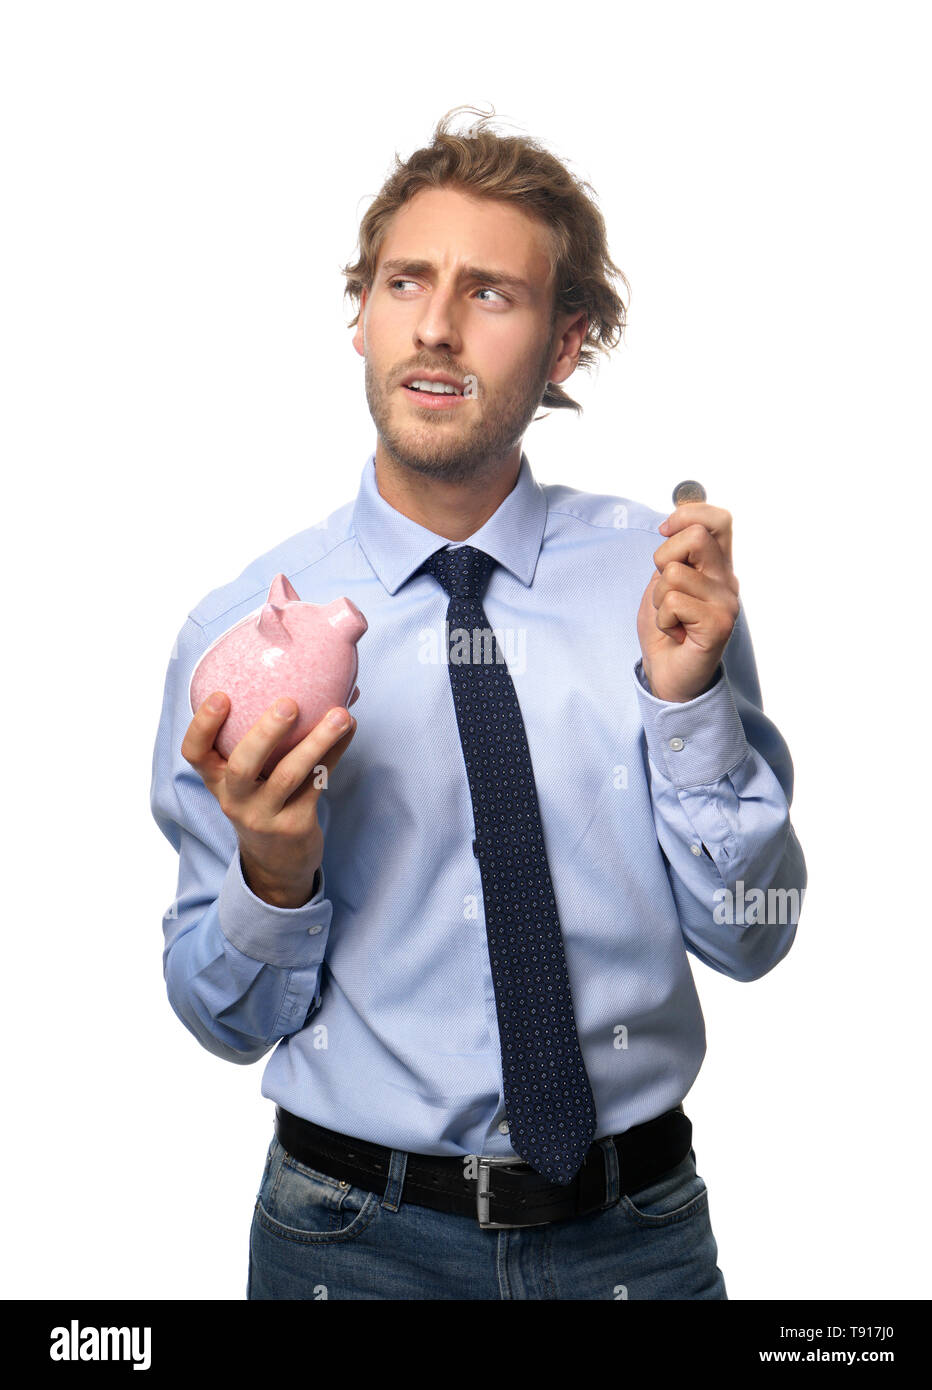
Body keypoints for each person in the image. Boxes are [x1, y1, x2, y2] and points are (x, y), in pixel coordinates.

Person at [150, 106, 806, 1301]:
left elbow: (752, 933)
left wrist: (687, 699)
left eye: (492, 295)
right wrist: (270, 873)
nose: (438, 328)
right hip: (349, 1246)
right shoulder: (242, 634)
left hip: (635, 1239)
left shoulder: (661, 593)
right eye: (406, 281)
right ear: (360, 313)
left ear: (567, 345)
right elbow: (220, 1016)